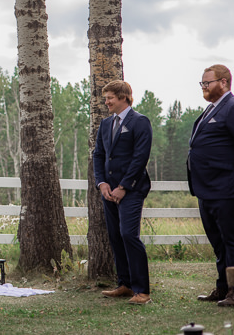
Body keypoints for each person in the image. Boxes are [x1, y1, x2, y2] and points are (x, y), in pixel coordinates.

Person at [189, 64, 234, 307]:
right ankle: (223, 287)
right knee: (218, 241)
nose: (204, 87)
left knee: (232, 239)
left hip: (227, 186)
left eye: (207, 83)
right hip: (207, 187)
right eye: (202, 83)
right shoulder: (211, 109)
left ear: (224, 82)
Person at [92, 80, 153, 305]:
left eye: (110, 98)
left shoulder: (140, 122)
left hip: (132, 189)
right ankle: (125, 284)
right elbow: (98, 155)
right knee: (116, 237)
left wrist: (124, 187)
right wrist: (102, 184)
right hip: (109, 191)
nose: (106, 102)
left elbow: (140, 157)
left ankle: (142, 290)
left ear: (124, 97)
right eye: (105, 97)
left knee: (129, 235)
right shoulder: (106, 124)